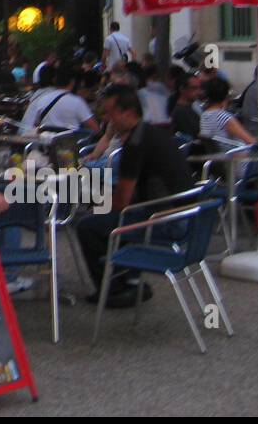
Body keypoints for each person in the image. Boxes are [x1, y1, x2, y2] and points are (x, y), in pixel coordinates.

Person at [76, 84, 194, 307]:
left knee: (88, 226)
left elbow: (122, 202)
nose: (107, 119)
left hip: (168, 221)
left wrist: (92, 201)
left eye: (110, 112)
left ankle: (113, 290)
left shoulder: (135, 144)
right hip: (188, 216)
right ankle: (130, 281)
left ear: (128, 113)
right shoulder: (152, 133)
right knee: (111, 220)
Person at [21, 66, 97, 133]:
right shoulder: (77, 102)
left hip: (47, 145)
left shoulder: (42, 100)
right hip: (71, 145)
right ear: (72, 82)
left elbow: (33, 124)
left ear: (55, 81)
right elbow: (95, 128)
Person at [198, 76, 257, 147]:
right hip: (232, 155)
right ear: (226, 95)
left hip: (216, 154)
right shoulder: (224, 117)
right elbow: (250, 141)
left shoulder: (204, 115)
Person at [168, 71, 204, 141]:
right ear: (182, 89)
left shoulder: (191, 108)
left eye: (199, 88)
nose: (198, 92)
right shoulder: (181, 112)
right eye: (194, 88)